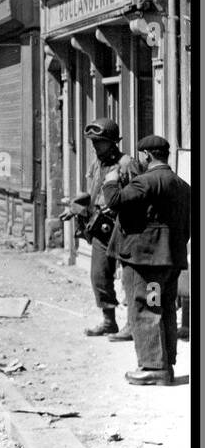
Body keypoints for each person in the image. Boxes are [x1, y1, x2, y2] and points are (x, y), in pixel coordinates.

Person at [104, 135, 191, 386]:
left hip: (146, 263)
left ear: (146, 156)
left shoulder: (145, 182)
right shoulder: (183, 185)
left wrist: (110, 181)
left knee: (145, 308)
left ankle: (154, 367)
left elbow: (115, 201)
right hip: (170, 260)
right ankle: (165, 364)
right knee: (163, 310)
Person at [78, 119, 142, 339]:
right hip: (100, 227)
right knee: (99, 275)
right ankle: (109, 321)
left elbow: (138, 197)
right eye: (93, 142)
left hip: (123, 227)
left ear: (113, 142)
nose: (96, 146)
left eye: (100, 142)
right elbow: (92, 193)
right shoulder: (96, 163)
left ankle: (132, 325)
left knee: (129, 278)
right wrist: (78, 206)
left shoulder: (127, 164)